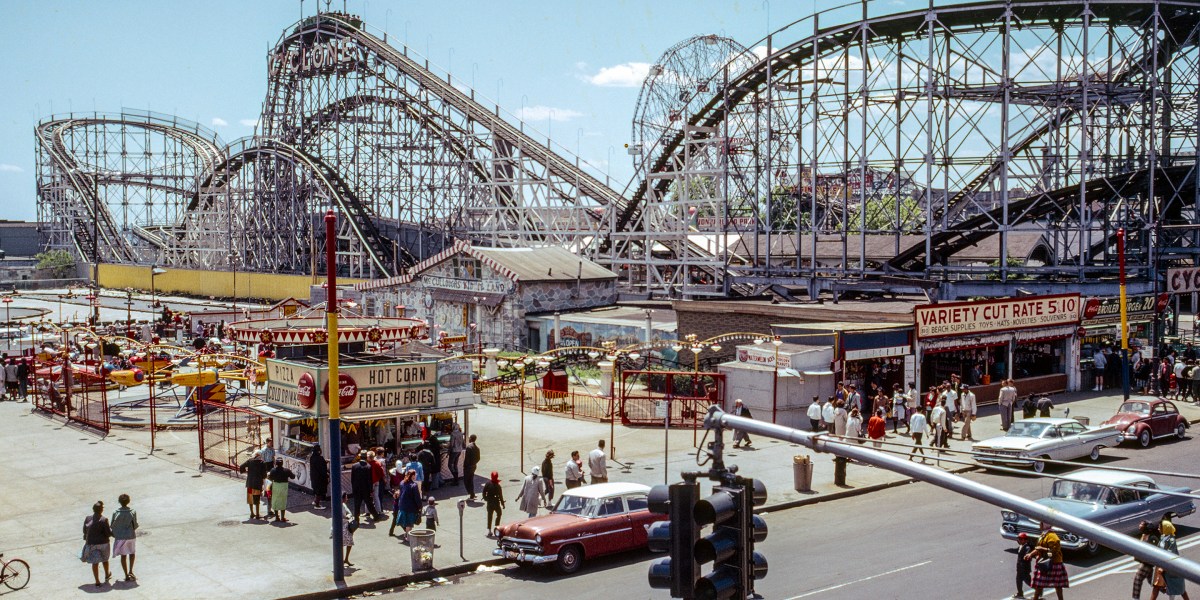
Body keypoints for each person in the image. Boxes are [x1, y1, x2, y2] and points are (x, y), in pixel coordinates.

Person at [1026, 521, 1069, 600]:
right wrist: (1030, 554)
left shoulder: (1053, 537)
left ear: (1045, 525)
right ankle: (1036, 598)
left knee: (1057, 585)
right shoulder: (1044, 535)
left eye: (1041, 523)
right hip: (1044, 563)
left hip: (1054, 564)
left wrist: (1043, 549)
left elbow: (1054, 551)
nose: (1039, 525)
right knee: (1039, 584)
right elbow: (1038, 548)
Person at [1151, 520, 1189, 600]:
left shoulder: (1171, 540)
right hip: (1163, 567)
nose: (1158, 529)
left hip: (1170, 568)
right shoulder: (1163, 537)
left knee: (1179, 589)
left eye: (1159, 527)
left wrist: (1163, 567)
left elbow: (1170, 555)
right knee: (1158, 586)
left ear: (1165, 528)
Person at [83, 501, 113, 587]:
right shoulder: (104, 520)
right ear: (101, 510)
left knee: (95, 562)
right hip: (103, 544)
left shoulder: (87, 518)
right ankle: (107, 575)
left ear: (93, 510)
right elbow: (108, 533)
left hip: (91, 543)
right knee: (105, 559)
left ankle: (97, 581)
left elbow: (84, 531)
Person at [110, 493, 139, 582]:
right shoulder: (132, 512)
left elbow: (112, 525)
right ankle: (131, 570)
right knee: (132, 553)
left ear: (119, 502)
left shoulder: (116, 512)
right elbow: (135, 525)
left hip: (120, 536)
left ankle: (126, 574)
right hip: (130, 535)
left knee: (123, 555)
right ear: (129, 501)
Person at [1133, 521, 1161, 600]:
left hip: (1148, 563)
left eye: (1141, 524)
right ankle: (1169, 589)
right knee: (1152, 582)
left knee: (1138, 579)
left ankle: (1135, 598)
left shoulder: (1152, 538)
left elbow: (1155, 552)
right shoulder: (1144, 535)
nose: (1139, 526)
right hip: (1145, 561)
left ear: (1146, 528)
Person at [392, 469, 422, 542]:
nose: (416, 476)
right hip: (410, 507)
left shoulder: (402, 483)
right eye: (415, 475)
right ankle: (408, 538)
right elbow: (417, 498)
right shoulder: (414, 485)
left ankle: (406, 534)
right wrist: (420, 506)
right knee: (409, 523)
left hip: (402, 505)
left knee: (405, 522)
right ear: (413, 476)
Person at [238, 450, 268, 520]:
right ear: (260, 456)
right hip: (257, 484)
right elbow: (264, 475)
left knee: (250, 498)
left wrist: (246, 472)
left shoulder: (250, 461)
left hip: (250, 483)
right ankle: (257, 514)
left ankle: (252, 513)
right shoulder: (262, 463)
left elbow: (241, 466)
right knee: (257, 499)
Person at [350, 454, 377, 523]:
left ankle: (356, 519)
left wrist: (353, 488)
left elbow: (352, 479)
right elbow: (370, 480)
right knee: (369, 503)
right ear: (366, 458)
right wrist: (371, 489)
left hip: (357, 488)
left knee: (357, 504)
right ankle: (375, 516)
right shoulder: (368, 466)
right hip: (366, 489)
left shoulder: (354, 466)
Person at [267, 457, 295, 522]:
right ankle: (282, 517)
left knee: (275, 500)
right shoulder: (286, 470)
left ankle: (277, 517)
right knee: (283, 501)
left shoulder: (273, 470)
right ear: (282, 463)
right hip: (284, 486)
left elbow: (270, 477)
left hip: (276, 486)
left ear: (276, 463)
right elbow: (293, 477)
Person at [483, 471, 506, 537]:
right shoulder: (498, 486)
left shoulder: (487, 484)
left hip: (489, 503)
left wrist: (486, 499)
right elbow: (501, 496)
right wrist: (503, 504)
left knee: (490, 516)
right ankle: (496, 526)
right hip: (496, 503)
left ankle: (489, 530)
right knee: (499, 514)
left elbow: (484, 492)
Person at [1014, 532, 1034, 599]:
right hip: (1019, 568)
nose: (1018, 540)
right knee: (1018, 580)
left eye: (1020, 539)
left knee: (1028, 581)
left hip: (1024, 569)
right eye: (1019, 538)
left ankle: (1038, 591)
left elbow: (1028, 556)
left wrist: (1026, 557)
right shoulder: (1020, 546)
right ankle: (1020, 593)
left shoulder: (1027, 548)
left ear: (1025, 540)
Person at [337, 493, 355, 566]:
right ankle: (341, 560)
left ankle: (346, 559)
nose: (347, 499)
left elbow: (349, 512)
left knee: (349, 543)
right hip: (341, 526)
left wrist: (348, 515)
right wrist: (346, 517)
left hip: (345, 525)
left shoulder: (343, 505)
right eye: (346, 498)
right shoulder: (338, 506)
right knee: (341, 544)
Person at [309, 444, 329, 510]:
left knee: (316, 490)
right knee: (319, 491)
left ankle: (315, 501)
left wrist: (324, 462)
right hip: (320, 478)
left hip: (314, 476)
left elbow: (317, 465)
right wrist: (326, 475)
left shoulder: (312, 458)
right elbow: (322, 468)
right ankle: (317, 505)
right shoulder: (320, 458)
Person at [463, 434, 481, 500]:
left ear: (470, 438)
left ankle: (471, 494)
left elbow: (467, 459)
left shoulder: (469, 447)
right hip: (473, 466)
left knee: (466, 480)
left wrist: (466, 465)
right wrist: (474, 463)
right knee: (470, 480)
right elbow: (478, 458)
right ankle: (472, 493)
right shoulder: (477, 448)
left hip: (468, 467)